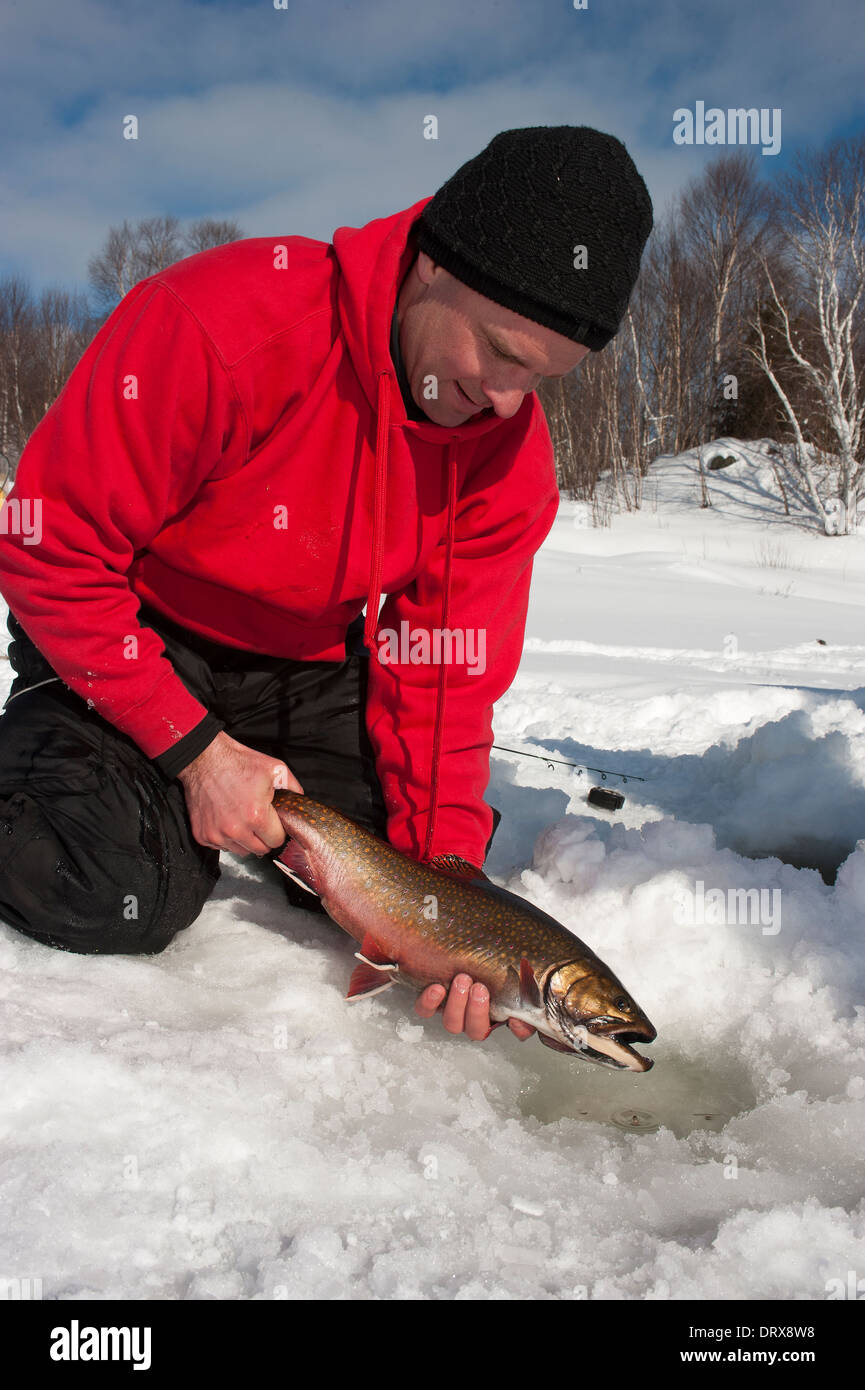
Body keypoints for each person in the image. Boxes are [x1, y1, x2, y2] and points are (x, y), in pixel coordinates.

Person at [0, 125, 652, 1042]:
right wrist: (193, 752)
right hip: (137, 629)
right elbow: (49, 545)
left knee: (384, 871)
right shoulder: (227, 321)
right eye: (501, 354)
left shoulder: (507, 457)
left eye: (543, 379)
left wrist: (449, 898)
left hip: (307, 659)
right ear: (432, 266)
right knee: (112, 889)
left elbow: (441, 677)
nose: (507, 400)